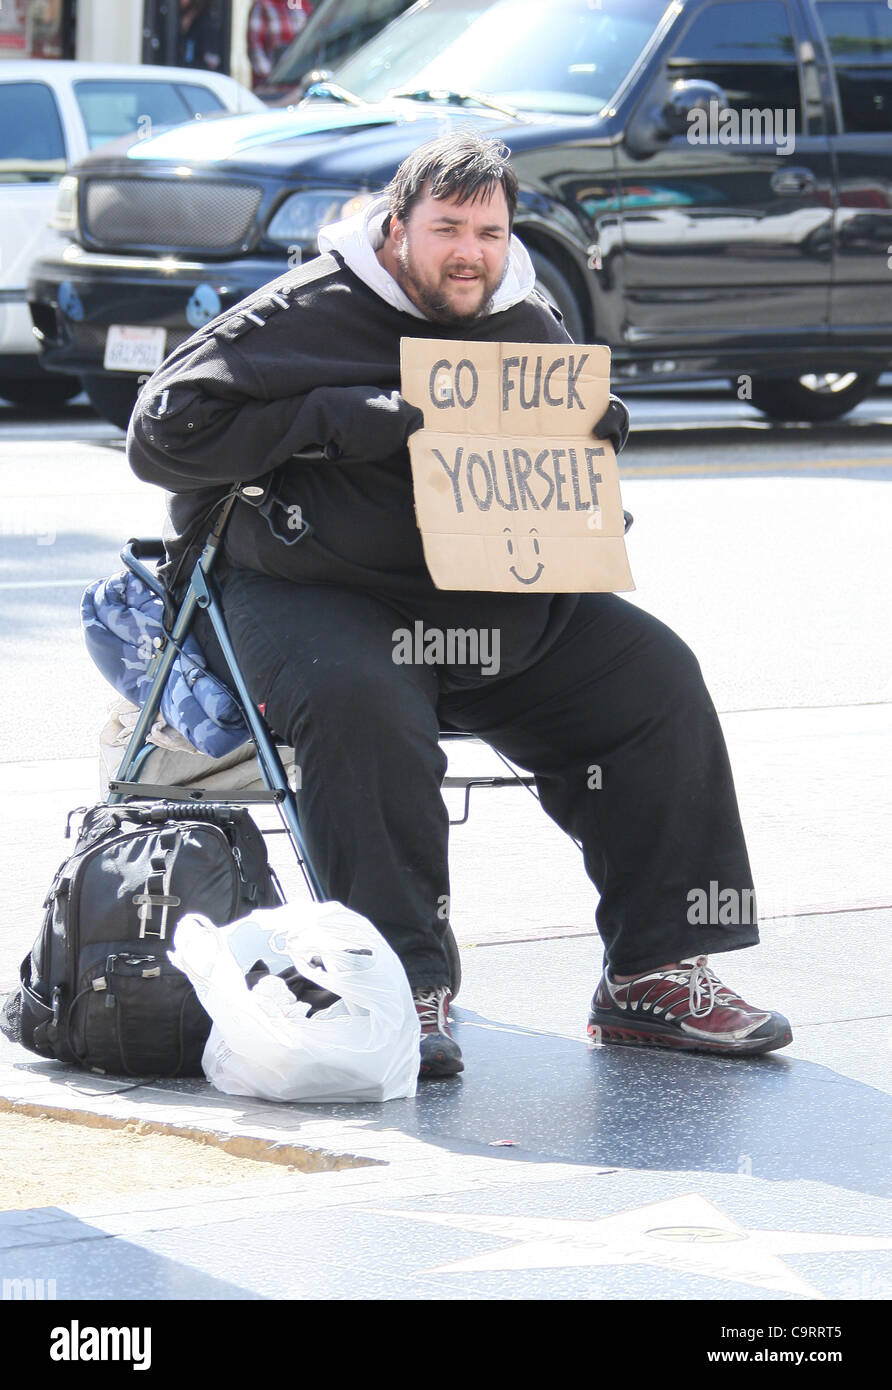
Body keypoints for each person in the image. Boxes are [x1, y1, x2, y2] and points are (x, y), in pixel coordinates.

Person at [127, 131, 792, 1079]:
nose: (470, 251)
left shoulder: (523, 314)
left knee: (656, 676)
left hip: (493, 599)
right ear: (395, 229)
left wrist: (596, 428)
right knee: (365, 699)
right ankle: (404, 979)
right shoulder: (306, 312)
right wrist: (326, 421)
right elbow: (160, 437)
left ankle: (653, 974)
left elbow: (577, 436)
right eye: (447, 228)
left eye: (489, 228)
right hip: (312, 593)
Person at [247, 0, 312, 89]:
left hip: (301, 85)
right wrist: (272, 79)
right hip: (272, 89)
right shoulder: (263, 5)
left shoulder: (301, 5)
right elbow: (255, 51)